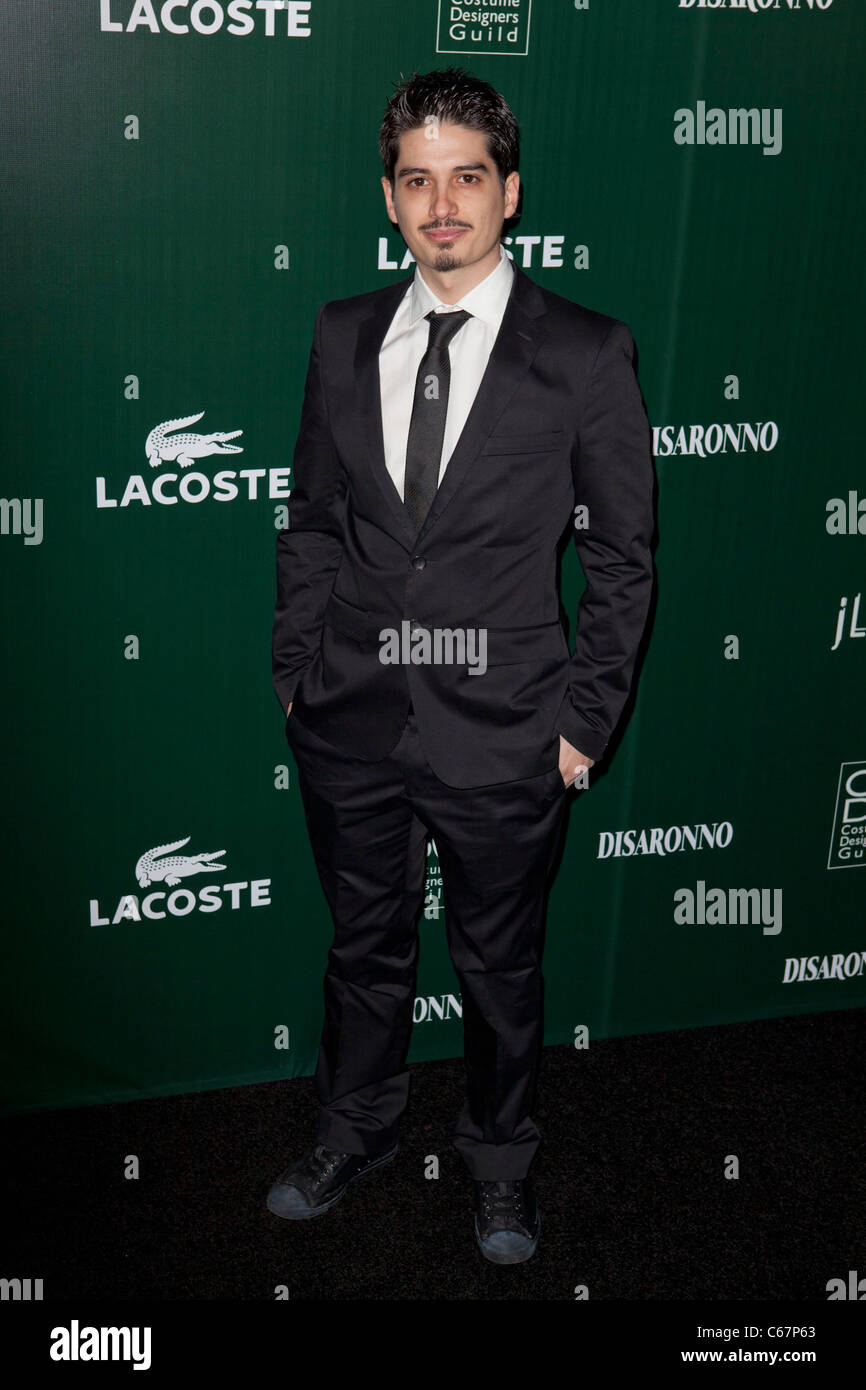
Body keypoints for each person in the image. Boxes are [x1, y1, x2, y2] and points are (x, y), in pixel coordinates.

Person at [267, 68, 655, 1265]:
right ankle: (354, 1126)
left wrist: (582, 721)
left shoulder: (586, 353)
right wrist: (297, 674)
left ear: (509, 192)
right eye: (418, 180)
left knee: (496, 965)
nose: (443, 204)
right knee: (363, 949)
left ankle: (498, 1164)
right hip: (351, 717)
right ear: (388, 199)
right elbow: (314, 525)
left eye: (467, 178)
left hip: (507, 729)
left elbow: (625, 559)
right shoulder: (339, 333)